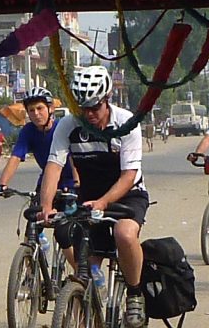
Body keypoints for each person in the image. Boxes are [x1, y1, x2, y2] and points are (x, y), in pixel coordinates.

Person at [37, 61, 148, 309]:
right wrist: (46, 206)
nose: (89, 114)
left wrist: (104, 202)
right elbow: (54, 165)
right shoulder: (68, 125)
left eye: (95, 107)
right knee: (86, 271)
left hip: (127, 195)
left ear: (107, 99)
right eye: (83, 108)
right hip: (89, 197)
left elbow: (129, 175)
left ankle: (134, 294)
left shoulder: (126, 123)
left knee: (124, 234)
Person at [0, 89, 59, 200]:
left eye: (40, 108)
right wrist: (2, 184)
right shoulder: (28, 131)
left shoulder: (62, 128)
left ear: (51, 109)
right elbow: (16, 157)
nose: (36, 114)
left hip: (72, 183)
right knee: (34, 213)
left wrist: (76, 183)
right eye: (31, 110)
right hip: (46, 181)